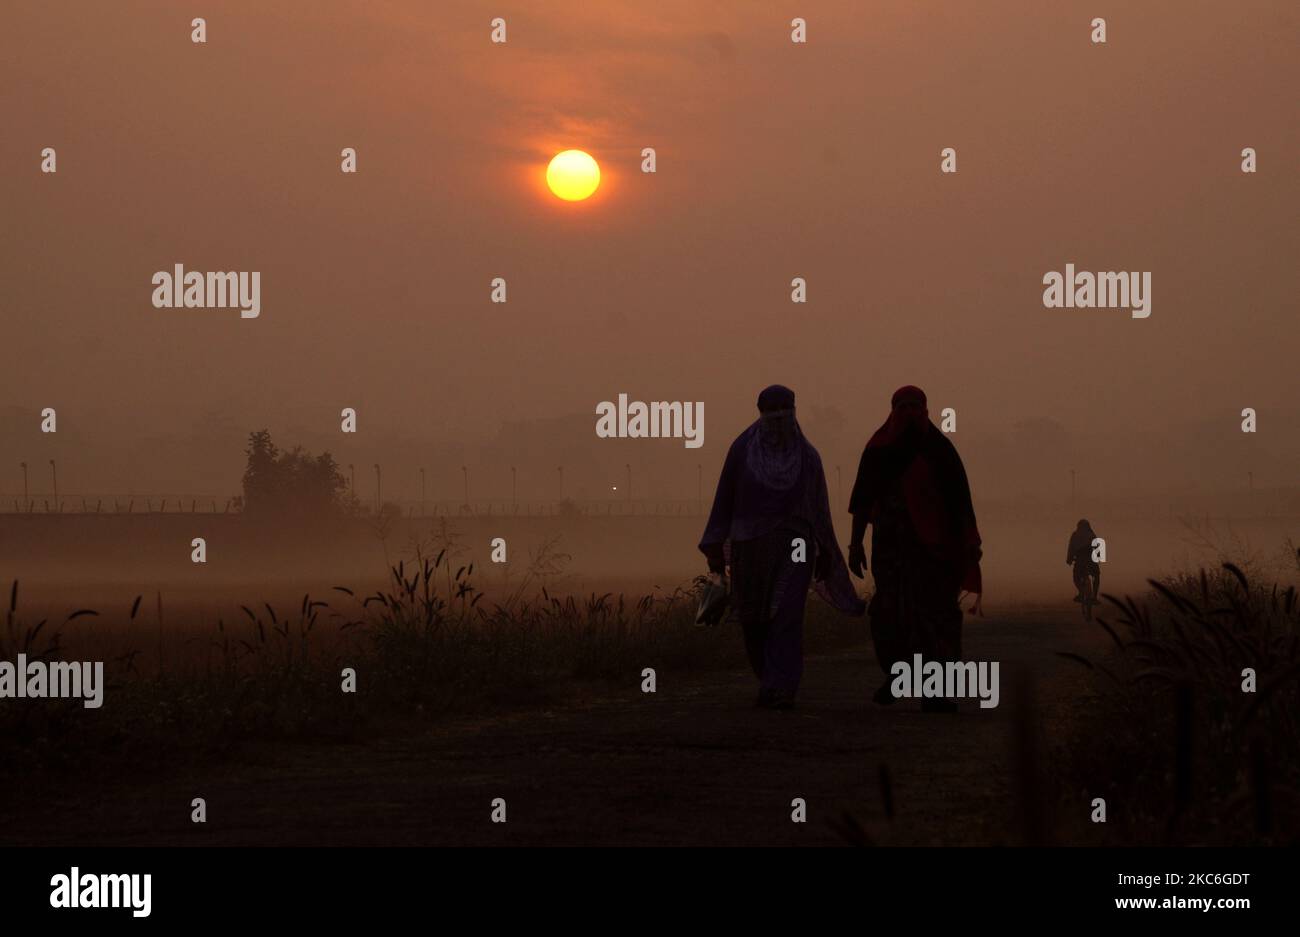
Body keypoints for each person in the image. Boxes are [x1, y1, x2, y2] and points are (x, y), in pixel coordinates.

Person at [699, 385, 864, 710]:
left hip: (796, 548)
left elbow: (819, 510)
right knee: (753, 620)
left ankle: (782, 686)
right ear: (760, 412)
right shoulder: (742, 452)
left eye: (783, 409)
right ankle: (769, 679)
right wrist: (715, 547)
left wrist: (824, 550)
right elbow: (724, 500)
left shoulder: (807, 458)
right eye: (770, 410)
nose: (777, 417)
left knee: (787, 616)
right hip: (750, 549)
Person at [846, 386, 983, 712]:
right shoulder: (878, 450)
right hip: (891, 551)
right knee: (891, 615)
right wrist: (855, 544)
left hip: (935, 553)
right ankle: (899, 675)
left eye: (915, 406)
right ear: (892, 410)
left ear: (925, 410)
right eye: (902, 406)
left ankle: (937, 692)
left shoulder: (940, 450)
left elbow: (961, 503)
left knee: (937, 617)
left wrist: (969, 543)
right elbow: (862, 501)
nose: (909, 413)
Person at [1066, 519, 1101, 604]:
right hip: (1091, 561)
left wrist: (1069, 559)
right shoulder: (1091, 534)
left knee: (1076, 577)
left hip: (1080, 561)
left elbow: (1071, 548)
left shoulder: (1075, 535)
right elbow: (1097, 548)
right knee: (1096, 576)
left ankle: (1081, 593)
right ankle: (1094, 597)